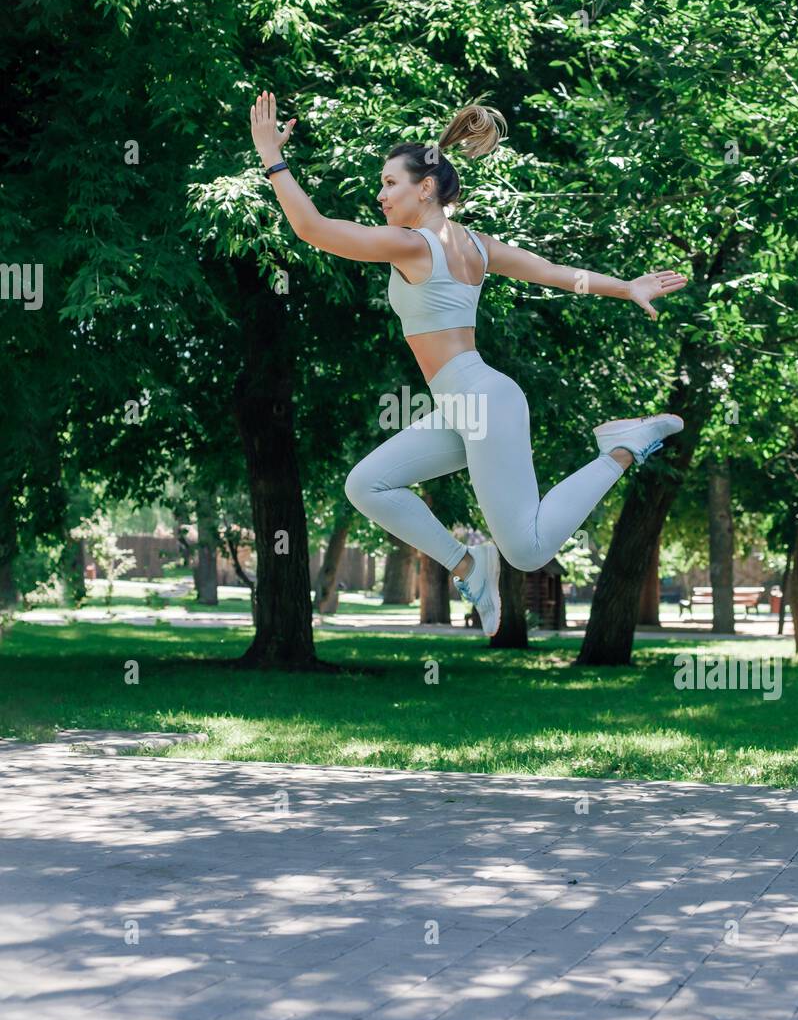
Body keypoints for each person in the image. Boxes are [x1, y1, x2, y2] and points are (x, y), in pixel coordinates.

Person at [250, 91, 687, 637]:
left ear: (425, 187)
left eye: (390, 183)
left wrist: (272, 157)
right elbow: (553, 272)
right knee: (367, 485)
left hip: (478, 399)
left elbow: (312, 229)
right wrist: (624, 287)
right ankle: (467, 564)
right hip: (466, 404)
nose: (381, 194)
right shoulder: (475, 245)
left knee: (527, 551)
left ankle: (622, 448)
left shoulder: (410, 244)